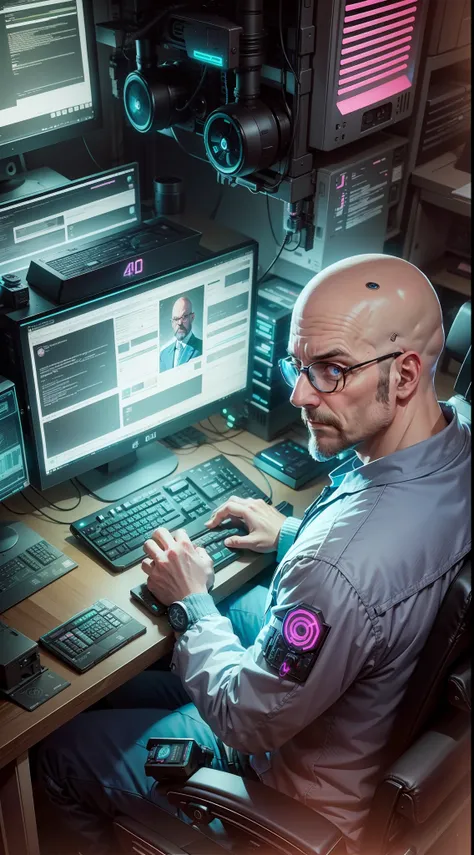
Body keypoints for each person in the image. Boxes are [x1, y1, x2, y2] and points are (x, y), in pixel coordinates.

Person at [37, 254, 471, 855]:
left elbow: (246, 717)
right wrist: (293, 536)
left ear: (403, 375)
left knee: (58, 753)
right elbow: (374, 589)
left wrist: (191, 601)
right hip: (358, 709)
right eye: (298, 364)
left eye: (330, 371)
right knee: (129, 686)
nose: (298, 394)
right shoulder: (457, 438)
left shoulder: (336, 570)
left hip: (286, 788)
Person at [159, 295, 202, 371]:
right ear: (172, 323)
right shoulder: (163, 355)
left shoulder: (202, 347)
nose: (179, 323)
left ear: (192, 317)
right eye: (176, 319)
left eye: (184, 317)